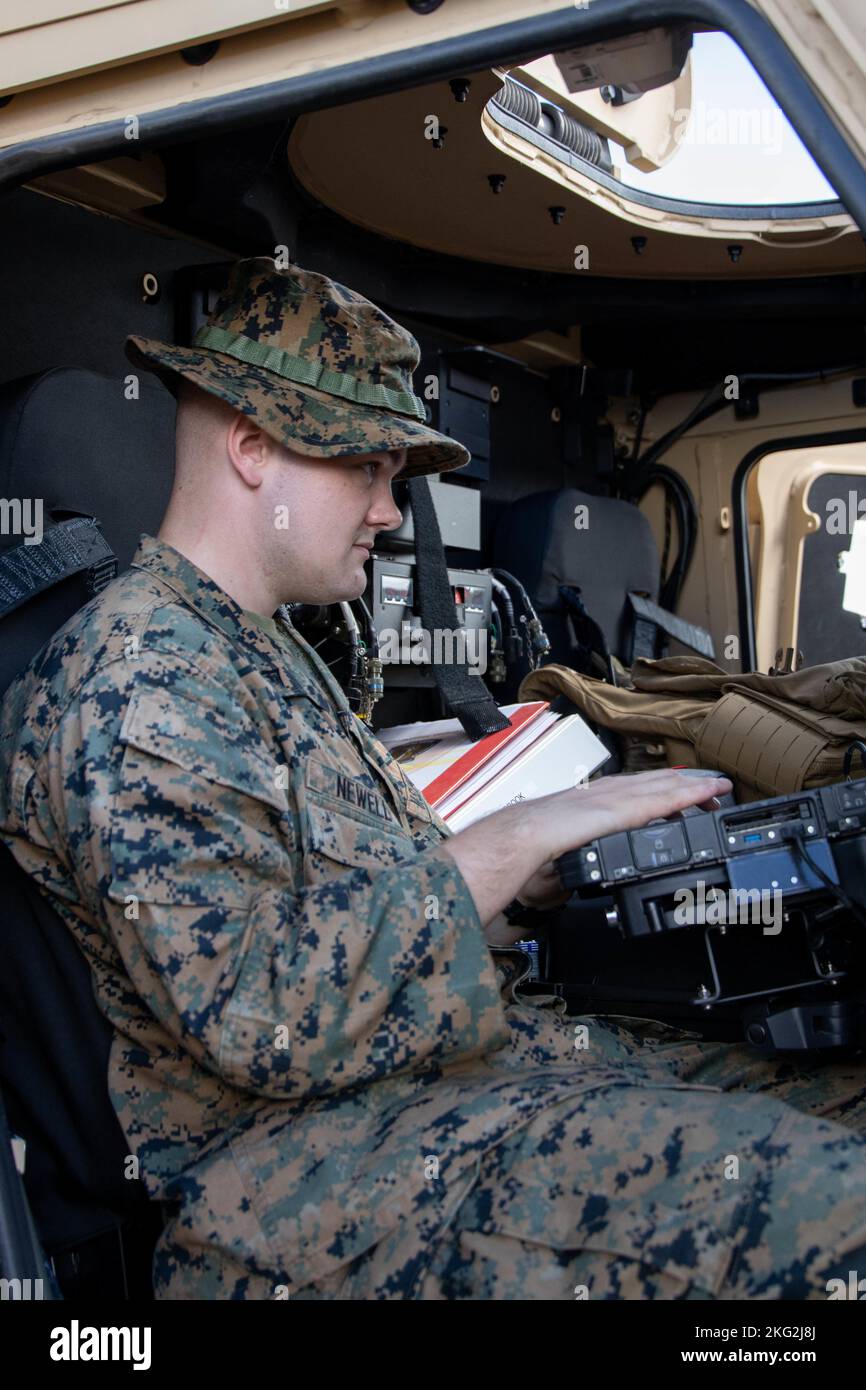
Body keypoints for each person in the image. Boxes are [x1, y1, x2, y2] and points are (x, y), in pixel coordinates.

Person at [2, 257, 865, 1301]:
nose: (391, 511)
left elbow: (367, 897)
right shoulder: (141, 673)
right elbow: (255, 1012)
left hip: (440, 1071)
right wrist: (509, 843)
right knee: (830, 1211)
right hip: (298, 1179)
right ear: (251, 445)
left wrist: (550, 880)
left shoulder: (259, 649)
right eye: (366, 468)